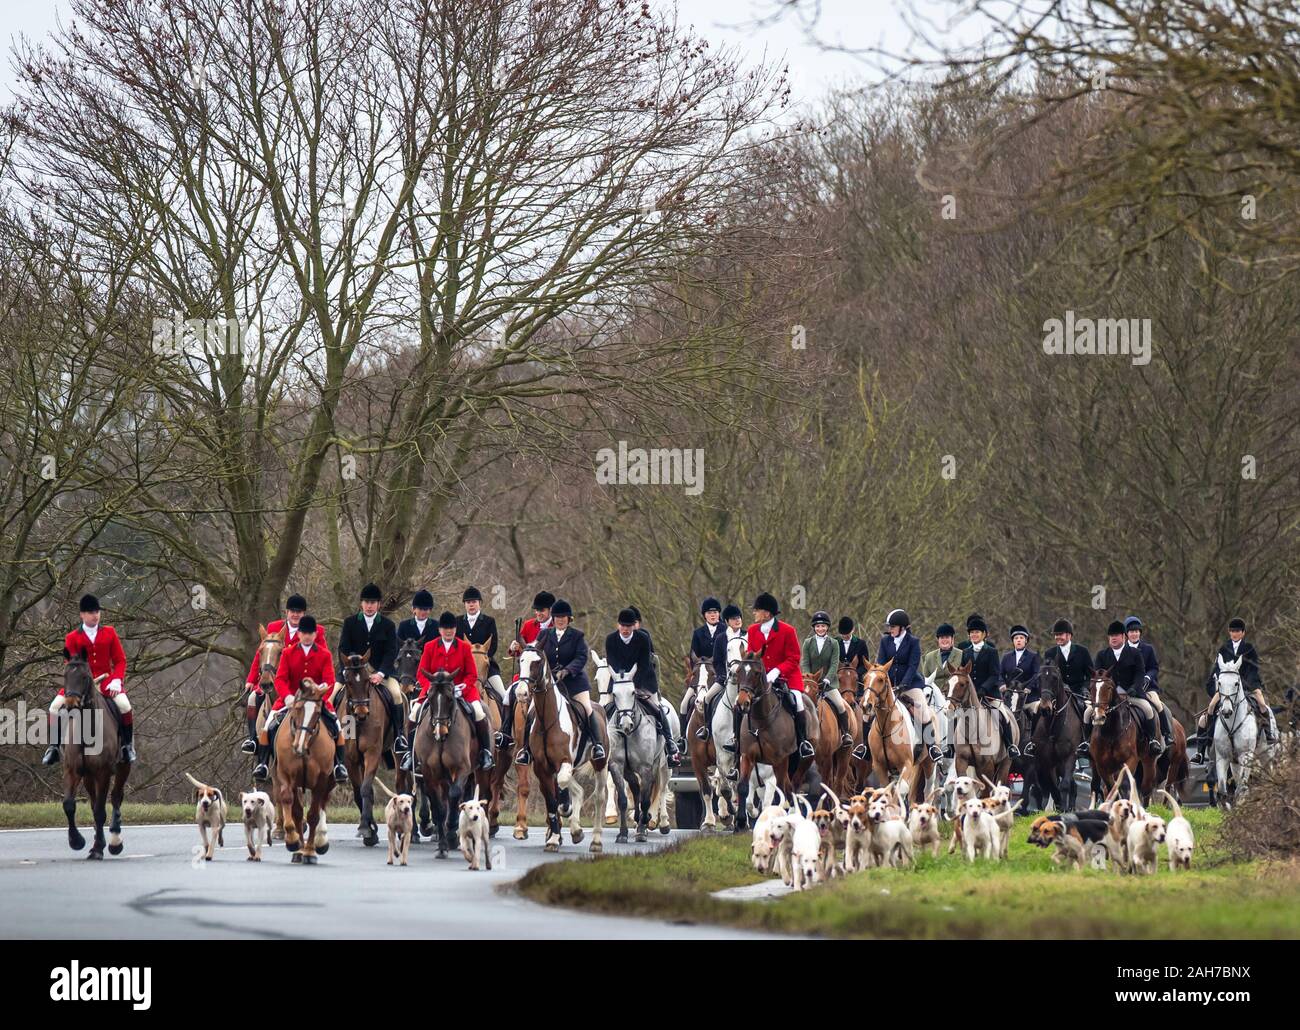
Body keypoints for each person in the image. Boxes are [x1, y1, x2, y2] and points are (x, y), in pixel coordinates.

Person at [252, 616, 348, 783]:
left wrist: (320, 693)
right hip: (288, 699)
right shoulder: (288, 653)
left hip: (316, 700)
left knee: (338, 726)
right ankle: (263, 764)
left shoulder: (324, 654)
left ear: (315, 634)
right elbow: (280, 679)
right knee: (267, 726)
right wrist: (288, 697)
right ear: (299, 634)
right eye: (304, 633)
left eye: (310, 633)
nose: (307, 636)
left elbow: (330, 681)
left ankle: (339, 765)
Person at [44, 594, 135, 765]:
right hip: (79, 684)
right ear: (82, 615)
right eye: (91, 612)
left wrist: (117, 680)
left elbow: (120, 660)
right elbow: (70, 664)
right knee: (54, 707)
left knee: (125, 705)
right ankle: (54, 748)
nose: (96, 615)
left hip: (107, 682)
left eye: (97, 611)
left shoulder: (109, 633)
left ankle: (127, 746)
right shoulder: (72, 637)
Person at [514, 599, 609, 765]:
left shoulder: (577, 636)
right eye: (557, 616)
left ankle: (597, 745)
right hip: (551, 684)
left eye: (563, 617)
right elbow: (533, 650)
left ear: (569, 618)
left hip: (574, 683)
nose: (560, 619)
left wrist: (567, 670)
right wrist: (520, 646)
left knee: (587, 709)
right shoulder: (544, 635)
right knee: (531, 712)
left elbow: (581, 657)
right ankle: (526, 750)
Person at [405, 611, 494, 772]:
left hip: (462, 690)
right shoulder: (430, 646)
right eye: (446, 628)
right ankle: (410, 755)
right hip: (434, 691)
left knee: (480, 713)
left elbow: (472, 674)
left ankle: (485, 753)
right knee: (413, 714)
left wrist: (463, 687)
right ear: (440, 630)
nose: (449, 631)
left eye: (452, 628)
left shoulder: (465, 647)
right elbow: (421, 673)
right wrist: (430, 686)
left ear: (455, 629)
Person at [336, 583, 407, 755]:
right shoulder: (350, 622)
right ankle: (336, 738)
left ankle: (398, 737)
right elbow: (343, 648)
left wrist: (381, 673)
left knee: (397, 695)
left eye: (373, 602)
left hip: (380, 672)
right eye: (366, 602)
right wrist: (350, 668)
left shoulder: (388, 625)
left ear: (379, 604)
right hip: (353, 673)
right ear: (361, 604)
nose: (369, 606)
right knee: (331, 696)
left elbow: (391, 652)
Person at [605, 608, 682, 765]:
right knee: (604, 708)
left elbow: (645, 664)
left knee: (657, 707)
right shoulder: (610, 640)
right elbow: (612, 664)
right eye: (623, 626)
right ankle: (600, 746)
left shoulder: (643, 638)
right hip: (619, 683)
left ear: (634, 626)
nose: (625, 629)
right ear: (617, 625)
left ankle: (670, 744)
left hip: (644, 681)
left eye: (629, 626)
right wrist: (623, 684)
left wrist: (634, 686)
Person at [741, 592, 812, 759]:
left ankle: (803, 742)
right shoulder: (752, 630)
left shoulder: (788, 630)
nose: (754, 613)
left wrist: (777, 671)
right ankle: (737, 741)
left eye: (757, 610)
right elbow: (752, 655)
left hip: (786, 677)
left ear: (767, 613)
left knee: (798, 702)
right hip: (759, 678)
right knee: (742, 702)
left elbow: (794, 657)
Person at [1198, 617, 1277, 762]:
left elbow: (1254, 669)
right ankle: (1205, 744)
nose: (1234, 633)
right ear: (1229, 632)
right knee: (1210, 707)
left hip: (1249, 685)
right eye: (1232, 631)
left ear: (1243, 633)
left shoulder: (1249, 648)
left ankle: (1268, 733)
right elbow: (1217, 669)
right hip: (1227, 687)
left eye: (1237, 631)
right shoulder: (1223, 648)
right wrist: (1218, 683)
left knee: (1261, 701)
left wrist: (1245, 685)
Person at [240, 593, 307, 754]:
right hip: (273, 678)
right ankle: (253, 740)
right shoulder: (273, 627)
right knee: (252, 698)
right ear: (287, 612)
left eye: (299, 611)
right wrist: (251, 679)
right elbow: (260, 654)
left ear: (304, 614)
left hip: (300, 681)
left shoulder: (312, 630)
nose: (295, 614)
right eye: (292, 611)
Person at [877, 609, 943, 763]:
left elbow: (913, 666)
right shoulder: (885, 641)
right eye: (889, 627)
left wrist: (902, 685)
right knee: (868, 711)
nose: (890, 629)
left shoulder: (913, 642)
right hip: (888, 685)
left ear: (902, 627)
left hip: (910, 685)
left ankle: (933, 747)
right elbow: (881, 664)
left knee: (923, 711)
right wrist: (885, 684)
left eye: (893, 627)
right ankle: (865, 747)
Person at [1091, 619, 1162, 755]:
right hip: (1109, 697)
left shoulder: (1135, 653)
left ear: (1123, 637)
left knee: (1148, 709)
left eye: (1116, 635)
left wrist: (1135, 687)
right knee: (1088, 713)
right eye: (1111, 636)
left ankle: (1152, 740)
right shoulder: (1102, 655)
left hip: (1132, 693)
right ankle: (1087, 742)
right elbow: (1097, 675)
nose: (1113, 638)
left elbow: (1140, 673)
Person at [499, 591, 555, 751]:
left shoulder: (555, 626)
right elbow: (520, 650)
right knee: (507, 696)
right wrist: (513, 648)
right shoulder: (529, 625)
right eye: (536, 610)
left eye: (542, 610)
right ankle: (505, 734)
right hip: (526, 676)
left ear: (550, 610)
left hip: (548, 676)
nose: (538, 614)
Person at [957, 614, 1019, 758]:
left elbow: (995, 674)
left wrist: (983, 689)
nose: (974, 635)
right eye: (972, 632)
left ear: (983, 634)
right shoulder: (965, 653)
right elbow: (963, 673)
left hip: (989, 693)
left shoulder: (991, 651)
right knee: (954, 715)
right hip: (969, 695)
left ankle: (1010, 746)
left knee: (1003, 715)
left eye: (977, 632)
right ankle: (950, 747)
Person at [1040, 618, 1094, 755]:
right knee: (1039, 710)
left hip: (1078, 692)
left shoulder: (1082, 651)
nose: (1058, 637)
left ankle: (1086, 742)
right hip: (1057, 693)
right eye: (1056, 634)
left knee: (1088, 710)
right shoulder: (1050, 653)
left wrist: (1085, 688)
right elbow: (1048, 674)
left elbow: (1091, 675)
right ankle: (1036, 742)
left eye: (1061, 634)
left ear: (1069, 635)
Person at [802, 610, 853, 749]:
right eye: (818, 626)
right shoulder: (808, 642)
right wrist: (808, 677)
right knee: (799, 705)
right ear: (814, 628)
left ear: (827, 627)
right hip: (810, 683)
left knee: (840, 705)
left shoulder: (834, 643)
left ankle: (845, 734)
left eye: (823, 626)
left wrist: (827, 679)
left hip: (829, 684)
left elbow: (834, 663)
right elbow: (805, 662)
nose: (820, 629)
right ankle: (801, 737)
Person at [696, 603, 746, 744]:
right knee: (707, 698)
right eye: (733, 618)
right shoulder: (721, 638)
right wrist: (722, 676)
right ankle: (707, 729)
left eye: (739, 618)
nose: (737, 620)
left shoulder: (747, 635)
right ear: (727, 622)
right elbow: (717, 661)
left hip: (745, 680)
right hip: (725, 678)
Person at [1125, 615, 1173, 756]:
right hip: (1127, 689)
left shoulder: (1148, 649)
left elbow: (1154, 667)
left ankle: (1166, 734)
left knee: (1157, 705)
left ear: (1140, 633)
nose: (1134, 634)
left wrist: (1148, 677)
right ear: (1126, 634)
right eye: (1131, 631)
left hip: (1147, 687)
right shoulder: (1121, 650)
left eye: (1137, 631)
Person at [456, 586, 505, 707]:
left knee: (504, 697)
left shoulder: (489, 621)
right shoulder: (457, 622)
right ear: (464, 604)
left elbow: (493, 645)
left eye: (474, 602)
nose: (471, 605)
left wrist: (481, 660)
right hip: (463, 669)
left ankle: (506, 725)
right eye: (468, 602)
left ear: (479, 603)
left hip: (486, 668)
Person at [681, 597, 723, 723]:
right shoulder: (698, 633)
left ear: (719, 614)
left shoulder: (725, 630)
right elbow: (693, 657)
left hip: (719, 674)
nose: (713, 615)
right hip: (701, 675)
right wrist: (699, 671)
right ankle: (682, 740)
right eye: (710, 613)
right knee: (684, 704)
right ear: (705, 615)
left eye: (715, 612)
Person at [999, 624, 1041, 750]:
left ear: (1026, 640)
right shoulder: (1006, 657)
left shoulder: (1033, 656)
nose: (1018, 640)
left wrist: (1029, 687)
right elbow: (1000, 673)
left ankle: (1033, 742)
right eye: (1016, 638)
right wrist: (1002, 684)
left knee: (1037, 711)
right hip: (1009, 697)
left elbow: (1036, 674)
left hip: (1028, 697)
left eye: (1021, 638)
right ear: (1013, 641)